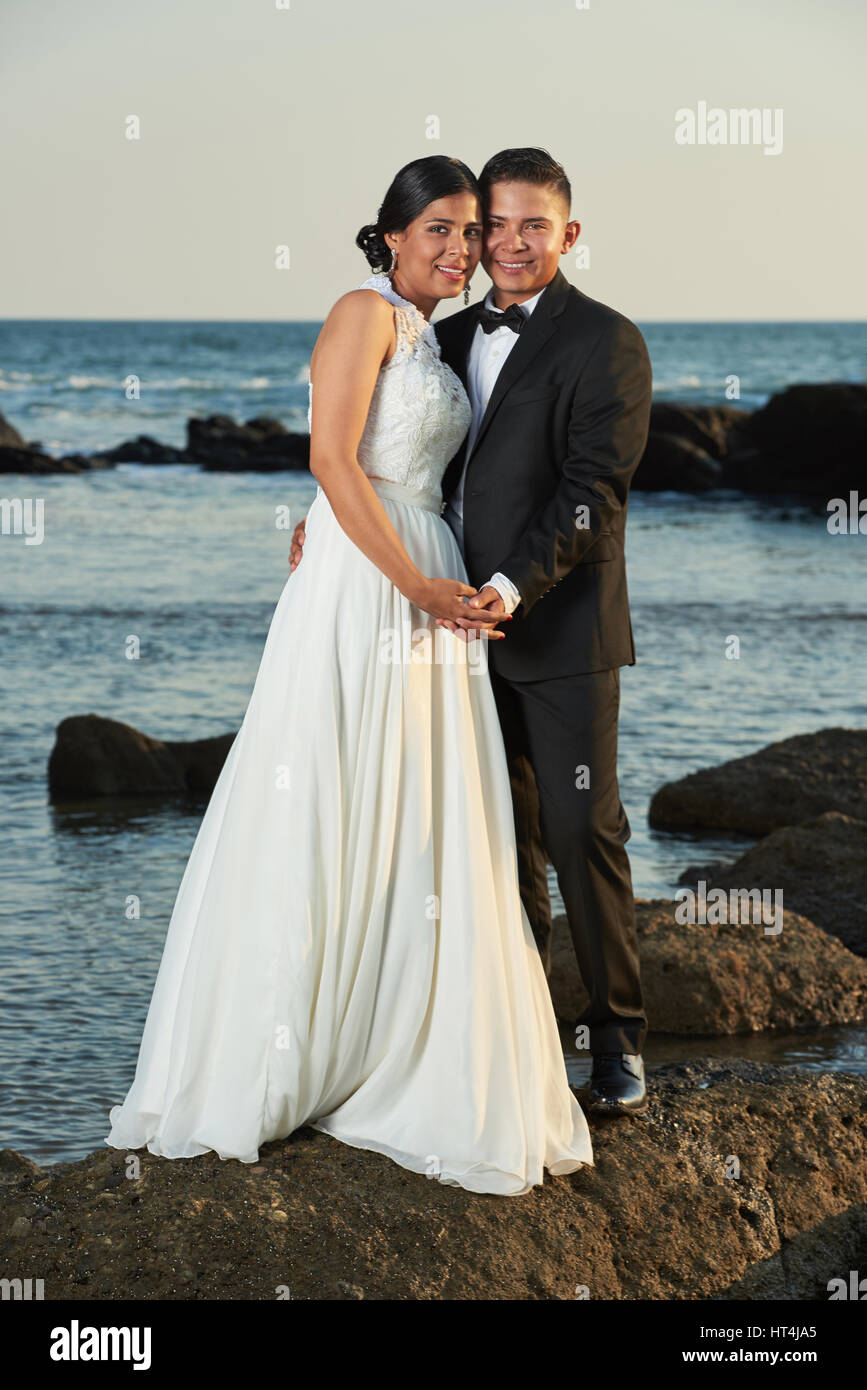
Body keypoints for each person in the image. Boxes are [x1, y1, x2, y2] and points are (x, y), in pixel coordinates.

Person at [105, 155, 594, 1197]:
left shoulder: (437, 333)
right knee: (327, 788)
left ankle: (397, 1034)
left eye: (470, 233)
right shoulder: (361, 313)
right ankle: (283, 1049)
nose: (461, 250)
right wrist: (403, 573)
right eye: (440, 232)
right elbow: (334, 459)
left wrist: (420, 566)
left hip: (419, 569)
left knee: (422, 808)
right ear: (389, 235)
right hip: (375, 584)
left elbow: (393, 462)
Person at [295, 148, 653, 1115]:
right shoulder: (437, 337)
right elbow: (372, 447)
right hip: (442, 636)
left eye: (531, 224)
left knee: (583, 832)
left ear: (567, 235)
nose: (505, 242)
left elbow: (593, 497)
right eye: (492, 223)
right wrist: (322, 515)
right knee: (489, 842)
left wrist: (504, 587)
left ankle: (618, 1047)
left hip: (557, 630)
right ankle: (515, 1036)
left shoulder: (606, 341)